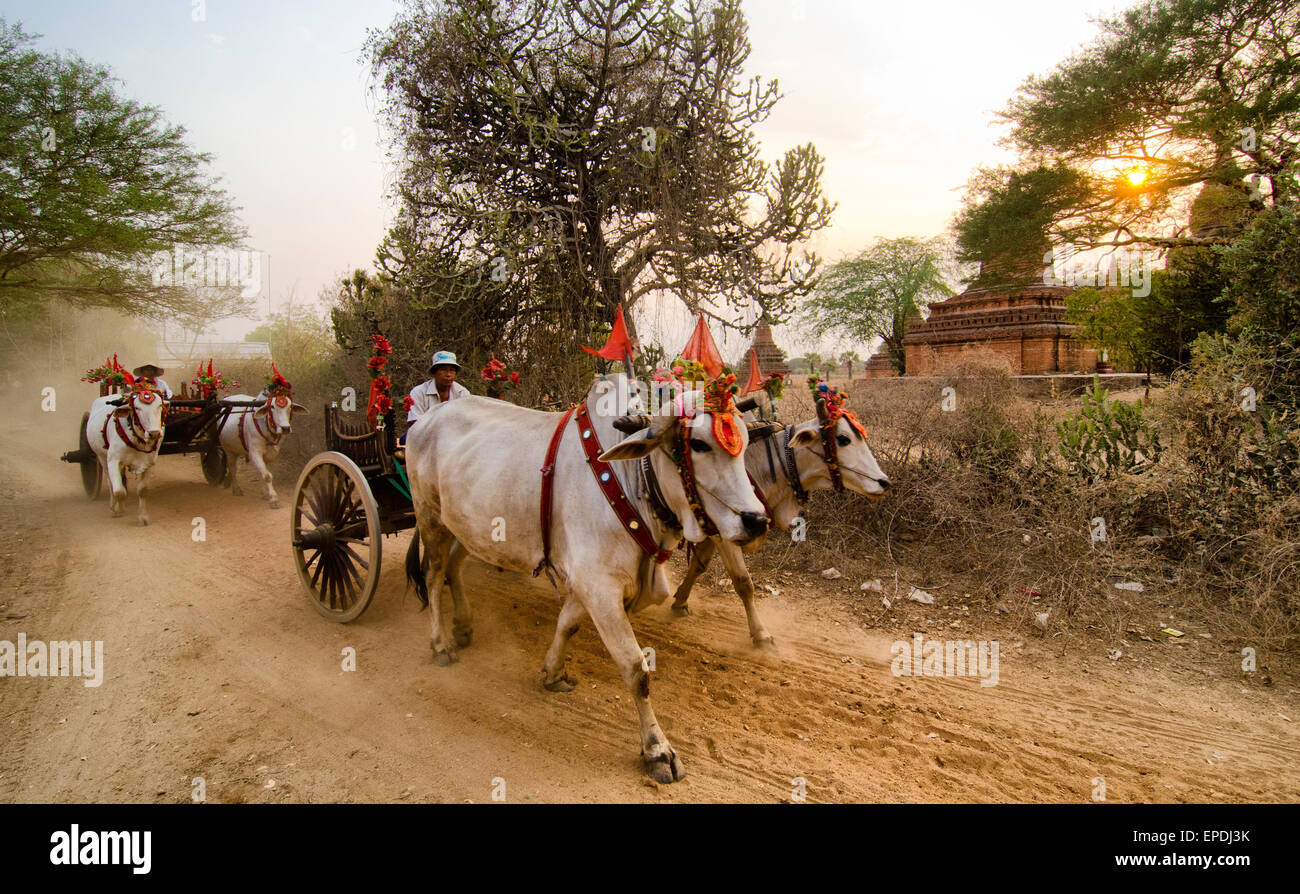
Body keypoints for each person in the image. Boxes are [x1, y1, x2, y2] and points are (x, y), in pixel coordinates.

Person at [406, 349, 469, 422]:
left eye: (451, 370)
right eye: (443, 369)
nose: (448, 374)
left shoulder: (462, 393)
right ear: (434, 373)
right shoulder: (418, 393)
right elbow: (414, 423)